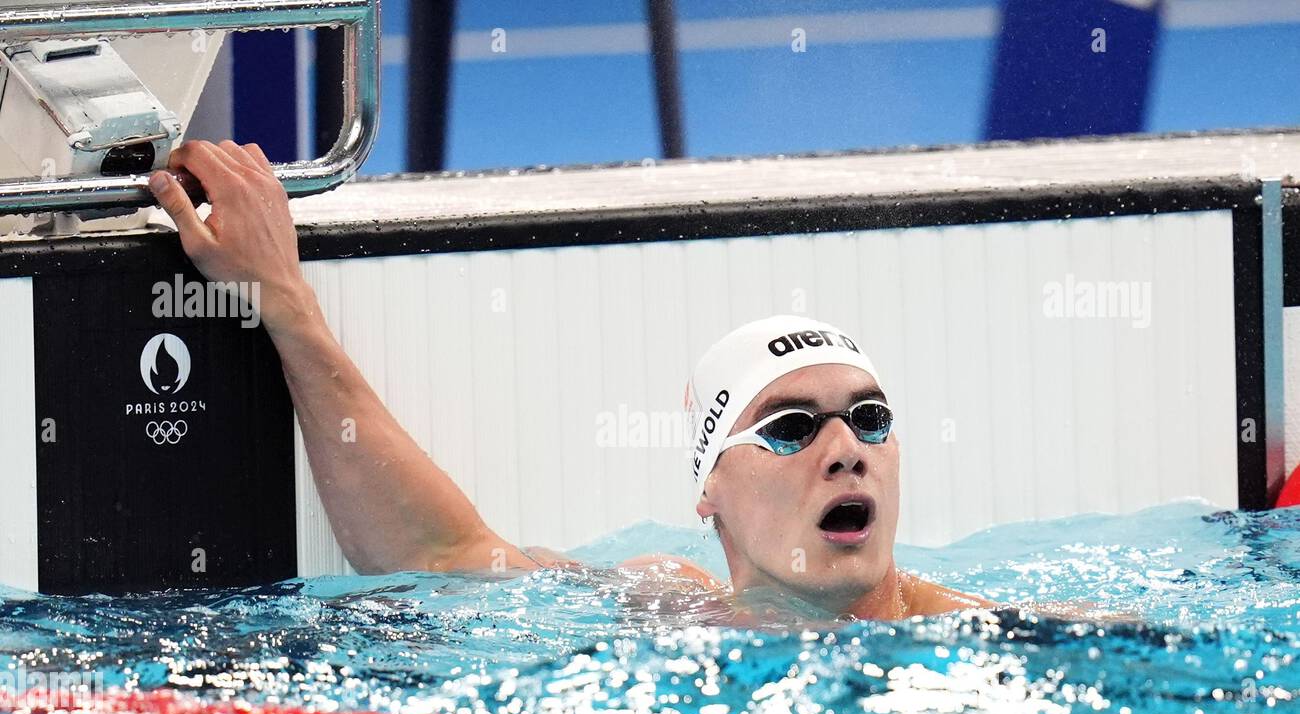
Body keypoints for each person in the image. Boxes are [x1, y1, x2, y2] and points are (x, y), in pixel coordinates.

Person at [148, 139, 990, 622]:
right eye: (790, 427)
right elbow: (438, 554)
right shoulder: (671, 605)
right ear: (710, 492)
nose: (847, 450)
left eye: (870, 419)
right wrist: (284, 300)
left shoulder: (979, 641)